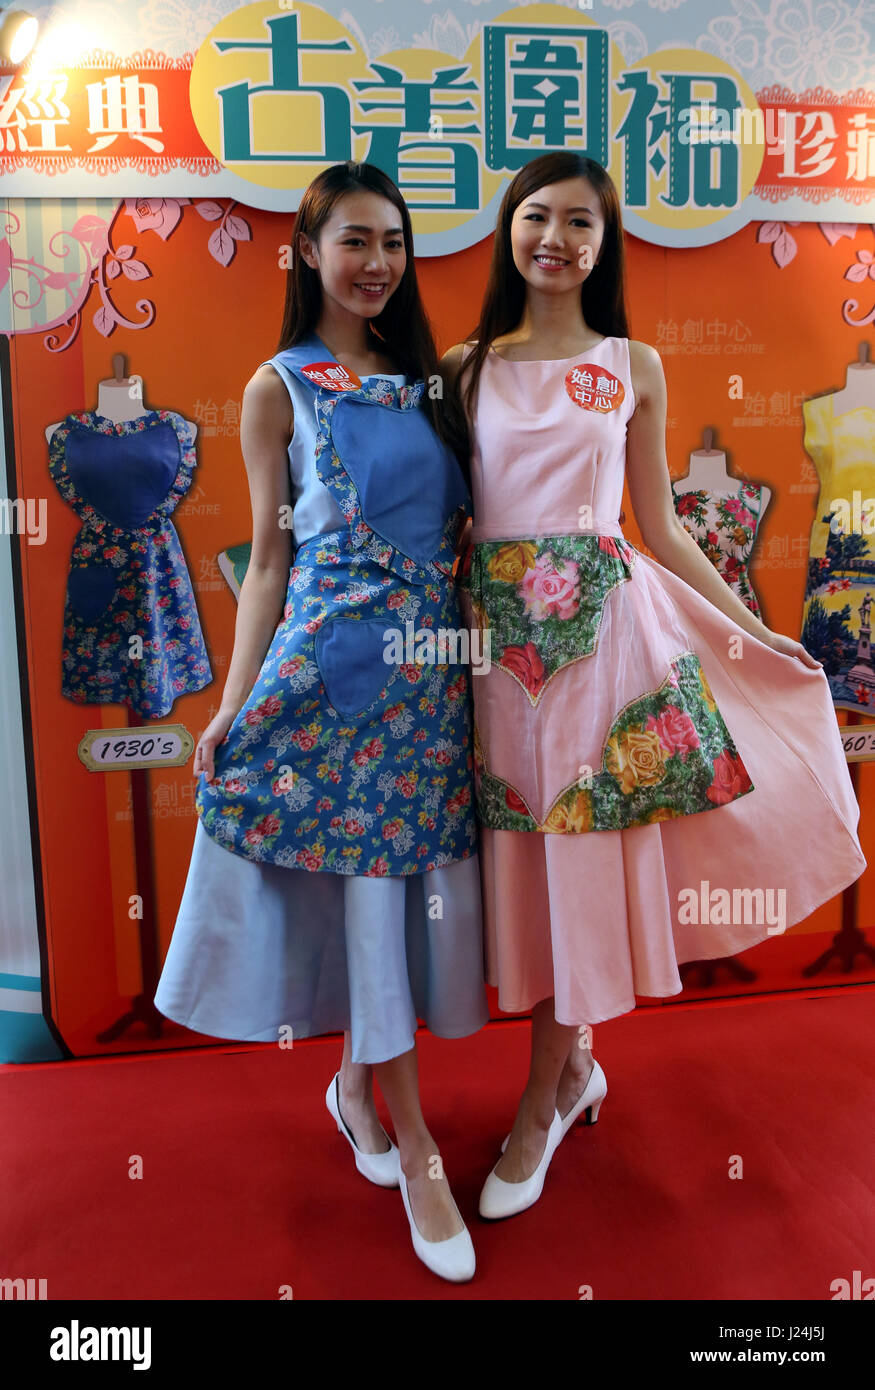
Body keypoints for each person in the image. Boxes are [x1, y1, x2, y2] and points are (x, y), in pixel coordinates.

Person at [441, 151, 867, 1221]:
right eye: (536, 216)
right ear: (507, 229)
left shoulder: (631, 364)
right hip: (492, 647)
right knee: (519, 866)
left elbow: (660, 526)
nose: (555, 239)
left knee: (579, 856)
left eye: (579, 222)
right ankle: (571, 1064)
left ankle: (542, 1095)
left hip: (599, 639)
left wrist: (757, 631)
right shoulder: (460, 365)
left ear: (602, 242)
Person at [155, 161, 489, 1282]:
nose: (377, 263)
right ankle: (417, 1142)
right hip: (328, 680)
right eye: (353, 241)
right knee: (360, 899)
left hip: (431, 688)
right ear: (305, 250)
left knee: (394, 911)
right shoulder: (278, 386)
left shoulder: (438, 381)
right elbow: (267, 562)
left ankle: (353, 1081)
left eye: (392, 242)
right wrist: (230, 703)